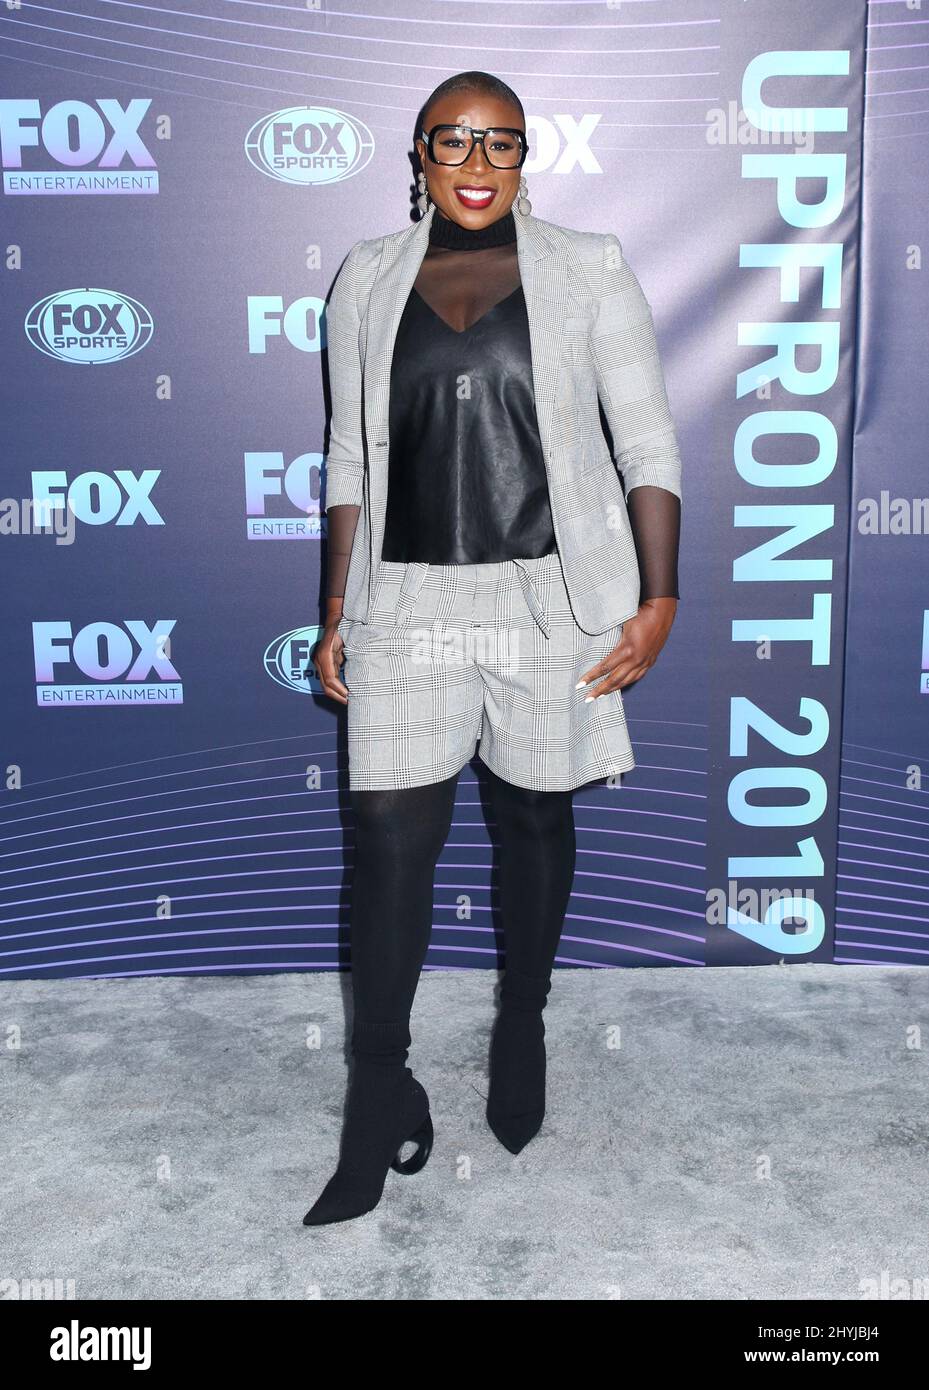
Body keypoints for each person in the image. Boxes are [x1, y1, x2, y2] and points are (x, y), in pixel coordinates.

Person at [304, 70, 682, 1226]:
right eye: (452, 141)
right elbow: (348, 463)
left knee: (532, 815)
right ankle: (377, 1093)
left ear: (526, 157)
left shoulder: (587, 266)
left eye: (500, 142)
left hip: (548, 602)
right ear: (415, 155)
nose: (476, 162)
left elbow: (645, 439)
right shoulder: (364, 279)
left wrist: (656, 598)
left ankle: (521, 1021)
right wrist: (334, 609)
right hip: (404, 601)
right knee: (385, 843)